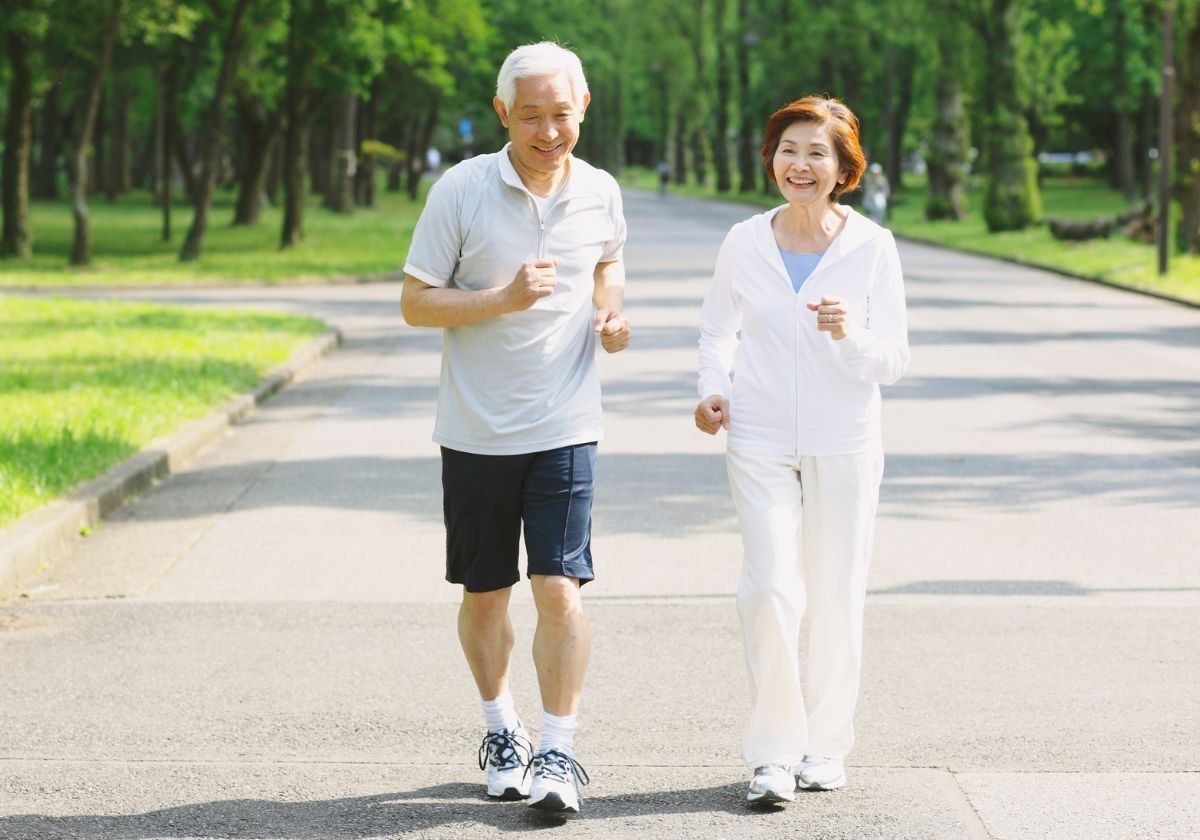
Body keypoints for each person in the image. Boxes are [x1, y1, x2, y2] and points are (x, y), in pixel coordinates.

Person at [401, 42, 630, 815]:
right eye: (530, 115)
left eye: (561, 114)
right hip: (475, 430)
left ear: (583, 108)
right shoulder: (461, 190)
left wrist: (610, 309)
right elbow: (416, 301)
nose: (548, 130)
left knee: (559, 589)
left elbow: (609, 261)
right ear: (503, 114)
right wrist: (500, 299)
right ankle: (503, 730)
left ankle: (560, 751)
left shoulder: (600, 191)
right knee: (487, 595)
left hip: (566, 422)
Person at [694, 96, 909, 804]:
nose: (801, 164)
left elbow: (892, 362)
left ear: (844, 167)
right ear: (771, 158)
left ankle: (826, 746)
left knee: (837, 594)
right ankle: (773, 754)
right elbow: (716, 330)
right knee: (769, 589)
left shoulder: (870, 246)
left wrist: (849, 335)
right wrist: (712, 388)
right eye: (789, 149)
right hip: (755, 435)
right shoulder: (745, 241)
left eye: (818, 153)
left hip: (844, 441)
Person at [862, 161, 889, 226]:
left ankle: (880, 224)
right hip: (869, 198)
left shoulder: (882, 180)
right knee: (869, 213)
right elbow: (866, 189)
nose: (874, 174)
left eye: (876, 173)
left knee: (879, 211)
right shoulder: (868, 180)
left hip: (878, 198)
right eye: (873, 173)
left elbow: (886, 190)